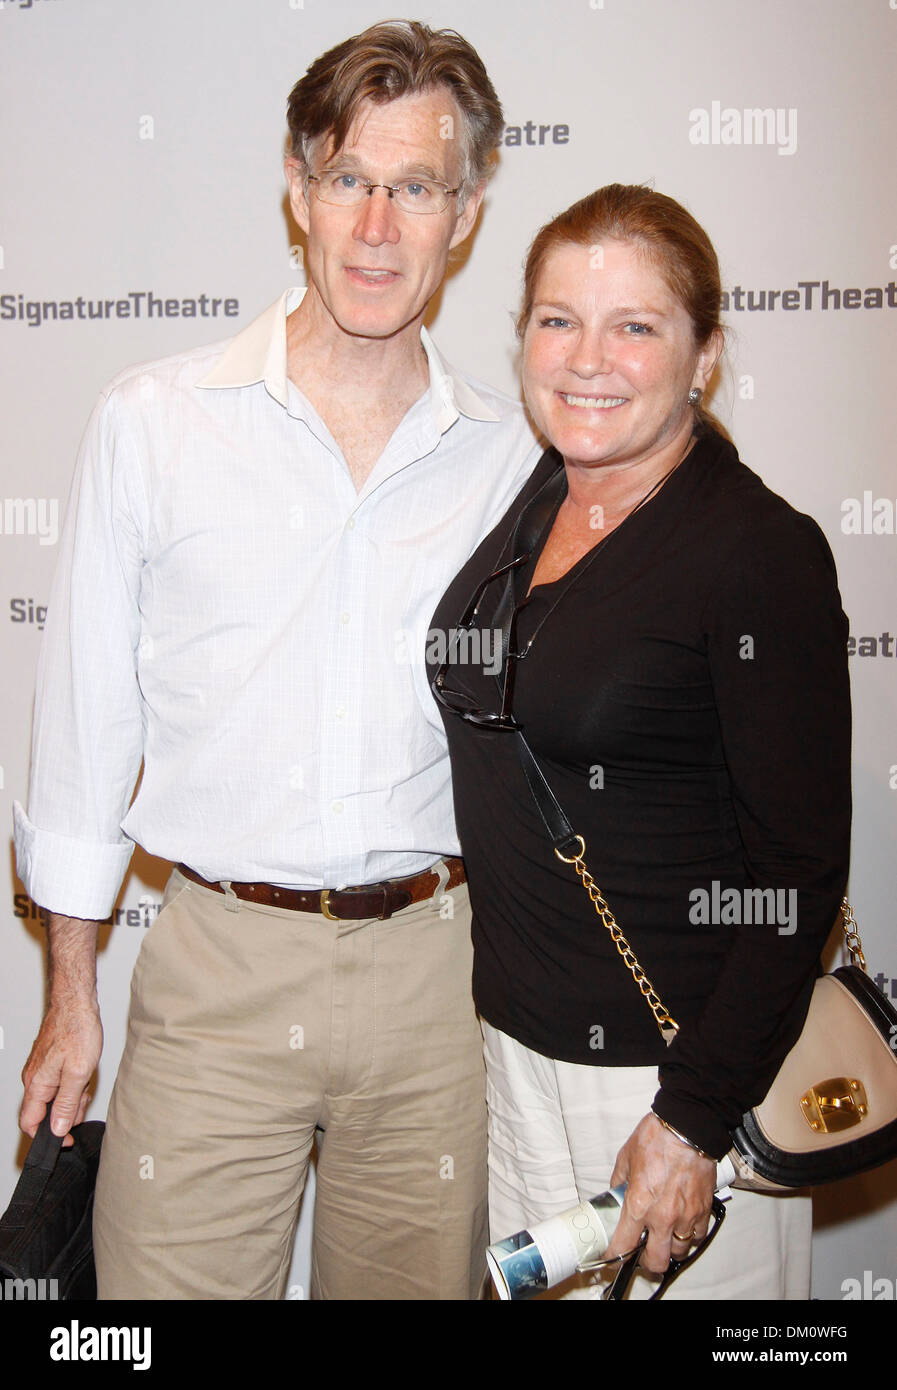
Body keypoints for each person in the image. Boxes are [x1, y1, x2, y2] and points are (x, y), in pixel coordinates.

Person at [13, 20, 541, 1300]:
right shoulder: (155, 422)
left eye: (415, 186)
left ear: (464, 214)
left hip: (437, 978)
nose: (375, 224)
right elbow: (85, 732)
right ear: (297, 189)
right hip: (214, 976)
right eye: (349, 178)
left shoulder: (512, 457)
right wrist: (70, 993)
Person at [429, 183, 851, 1299]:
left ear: (705, 354)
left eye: (637, 325)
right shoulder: (539, 495)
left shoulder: (757, 552)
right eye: (558, 319)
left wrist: (691, 1119)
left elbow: (796, 877)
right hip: (520, 1054)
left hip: (671, 1085)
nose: (587, 357)